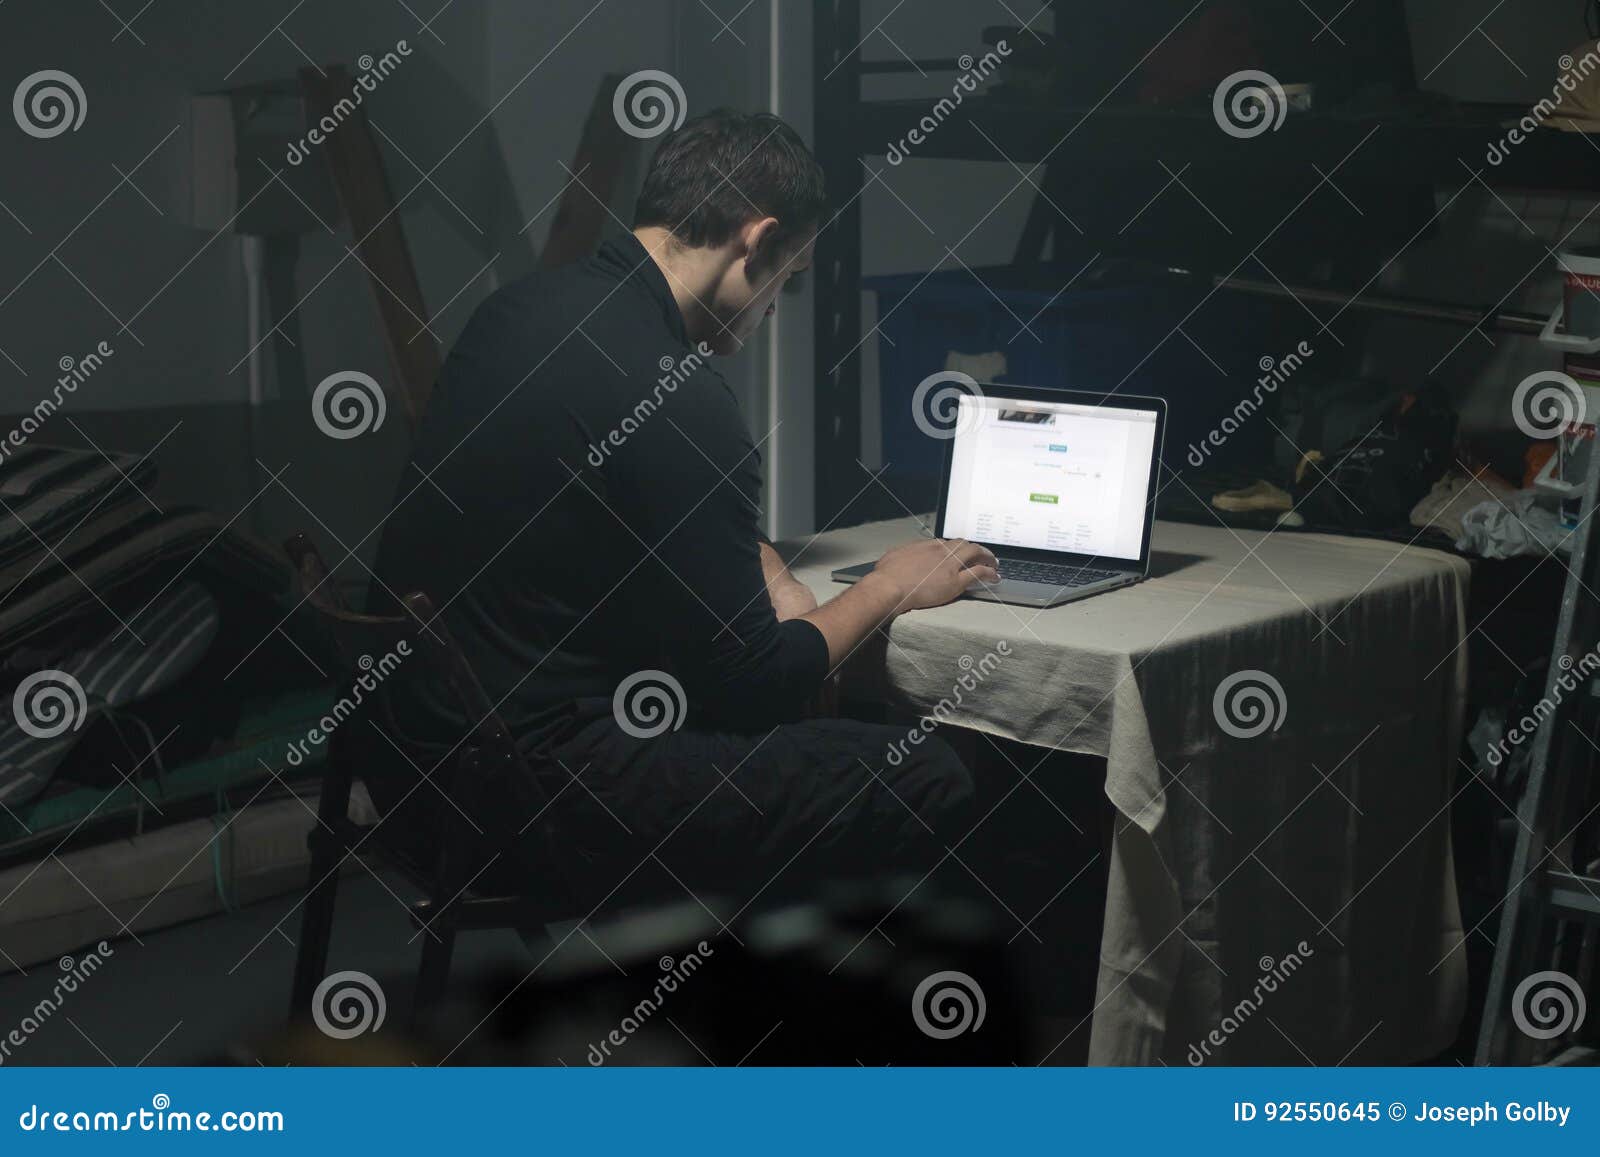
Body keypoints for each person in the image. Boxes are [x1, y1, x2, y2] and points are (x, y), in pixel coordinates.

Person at [370, 109, 999, 913]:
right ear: (755, 242)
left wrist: (758, 558)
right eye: (790, 275)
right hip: (523, 802)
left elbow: (629, 513)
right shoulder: (676, 395)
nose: (777, 305)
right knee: (925, 772)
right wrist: (887, 586)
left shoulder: (518, 313)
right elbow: (757, 686)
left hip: (408, 765)